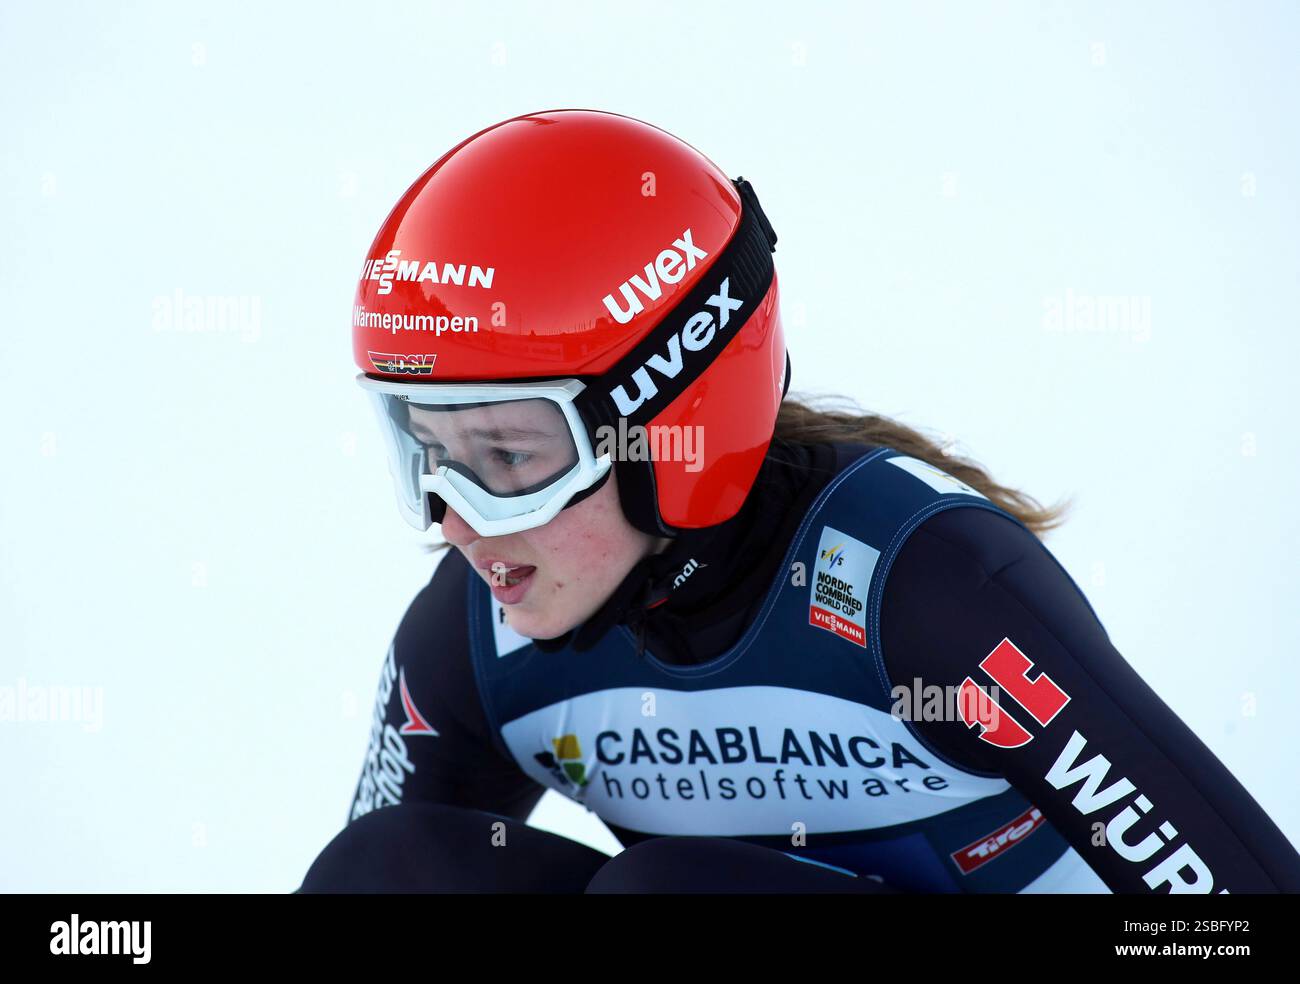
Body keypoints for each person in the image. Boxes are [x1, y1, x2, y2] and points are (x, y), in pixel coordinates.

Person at [298, 108, 1300, 894]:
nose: (458, 522)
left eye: (509, 458)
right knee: (385, 878)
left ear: (664, 429)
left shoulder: (923, 596)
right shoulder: (476, 639)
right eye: (426, 452)